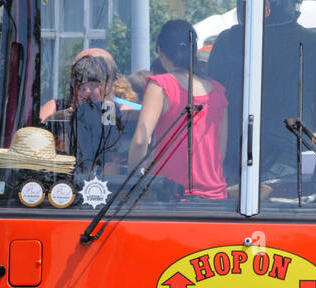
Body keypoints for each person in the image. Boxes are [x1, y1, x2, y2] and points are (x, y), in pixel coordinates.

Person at [207, 0, 316, 180]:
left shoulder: (227, 41)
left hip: (234, 159)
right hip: (291, 157)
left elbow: (212, 107)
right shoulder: (313, 43)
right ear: (293, 7)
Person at [127, 20, 228, 200]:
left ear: (159, 51)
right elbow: (220, 151)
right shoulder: (219, 91)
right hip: (215, 199)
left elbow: (141, 140)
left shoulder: (160, 86)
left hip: (171, 198)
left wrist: (132, 183)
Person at [40, 48, 137, 177]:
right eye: (81, 86)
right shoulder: (57, 110)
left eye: (92, 85)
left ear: (107, 83)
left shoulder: (119, 112)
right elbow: (38, 139)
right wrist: (56, 120)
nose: (86, 92)